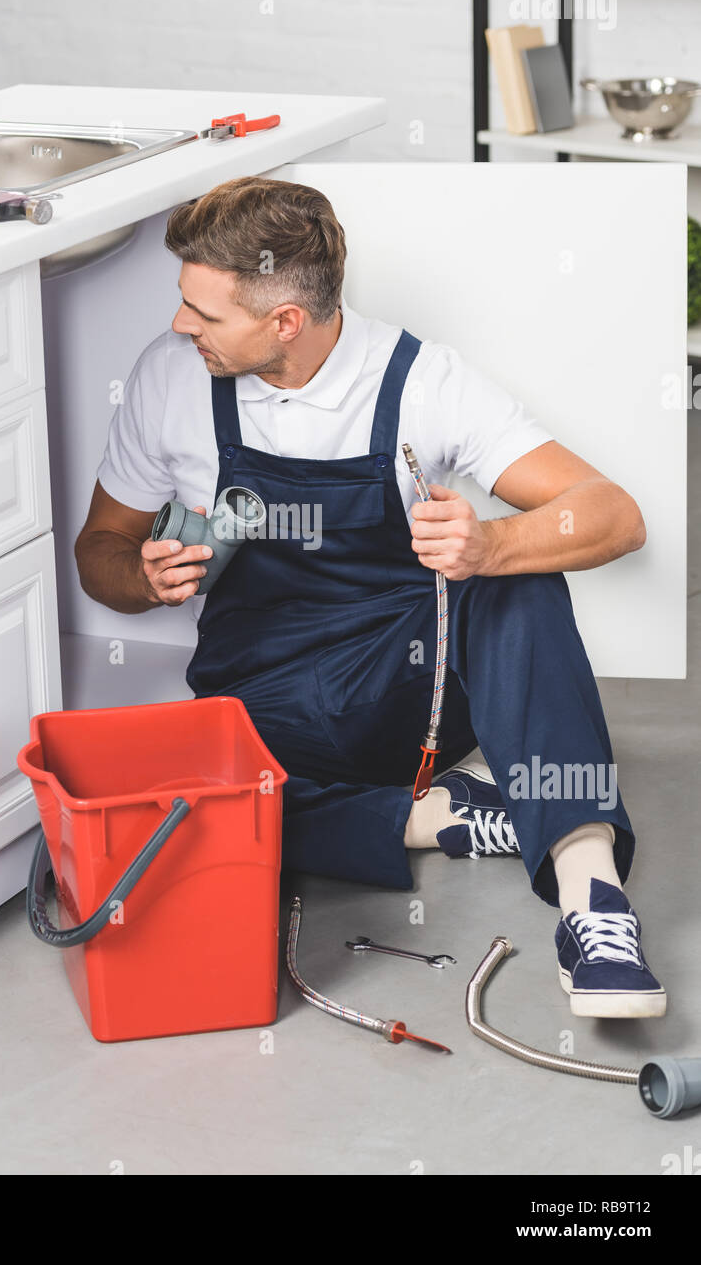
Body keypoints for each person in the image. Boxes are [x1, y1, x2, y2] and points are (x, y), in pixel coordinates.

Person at [75, 176, 665, 1020]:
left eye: (203, 313)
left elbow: (613, 514)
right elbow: (98, 549)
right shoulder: (169, 378)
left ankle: (590, 895)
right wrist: (139, 577)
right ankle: (433, 820)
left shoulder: (422, 381)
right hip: (261, 700)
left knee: (519, 578)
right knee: (167, 814)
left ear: (285, 320)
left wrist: (492, 543)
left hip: (407, 691)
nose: (179, 326)